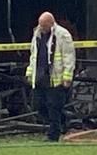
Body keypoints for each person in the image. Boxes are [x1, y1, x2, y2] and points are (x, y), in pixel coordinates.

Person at [25, 11, 76, 142]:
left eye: (43, 25)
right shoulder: (37, 34)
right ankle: (64, 120)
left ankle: (53, 135)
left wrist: (67, 77)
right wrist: (30, 73)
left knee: (53, 106)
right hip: (40, 77)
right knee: (39, 106)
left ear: (51, 24)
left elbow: (69, 57)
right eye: (40, 25)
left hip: (56, 78)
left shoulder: (63, 35)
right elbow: (33, 56)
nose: (41, 28)